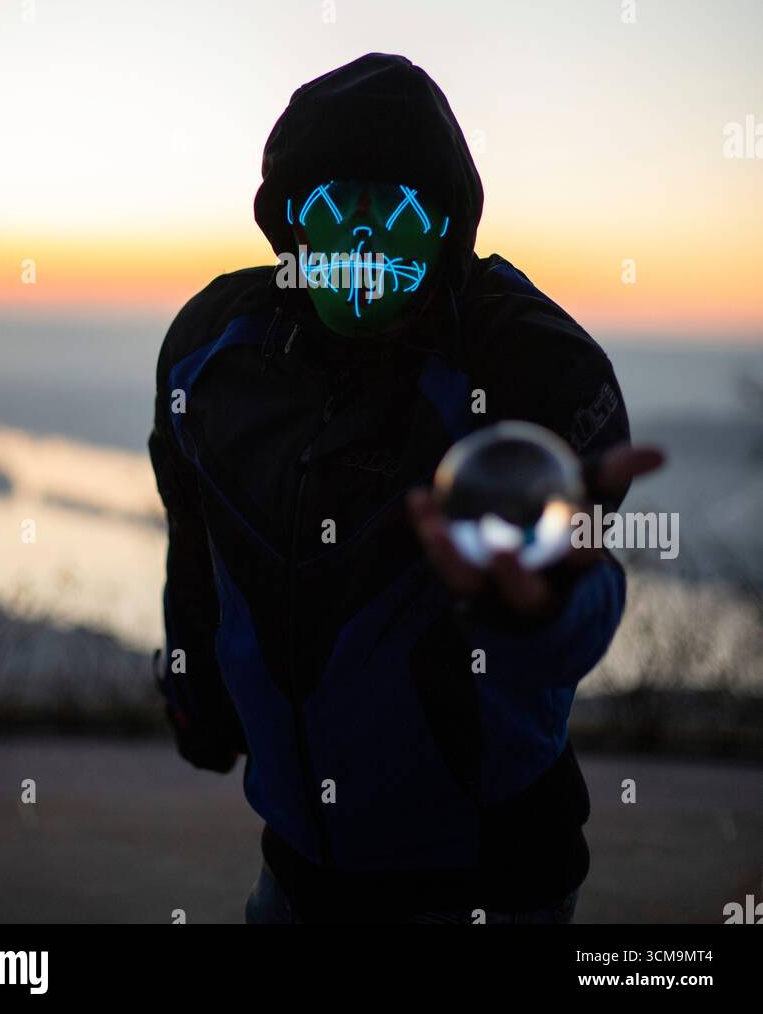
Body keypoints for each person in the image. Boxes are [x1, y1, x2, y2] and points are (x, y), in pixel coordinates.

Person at [149, 52, 661, 925]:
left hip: (492, 883)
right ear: (287, 228)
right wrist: (197, 695)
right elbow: (198, 542)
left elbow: (573, 583)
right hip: (296, 867)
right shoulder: (217, 350)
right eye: (332, 206)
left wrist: (538, 606)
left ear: (448, 224)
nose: (362, 240)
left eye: (400, 210)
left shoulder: (527, 360)